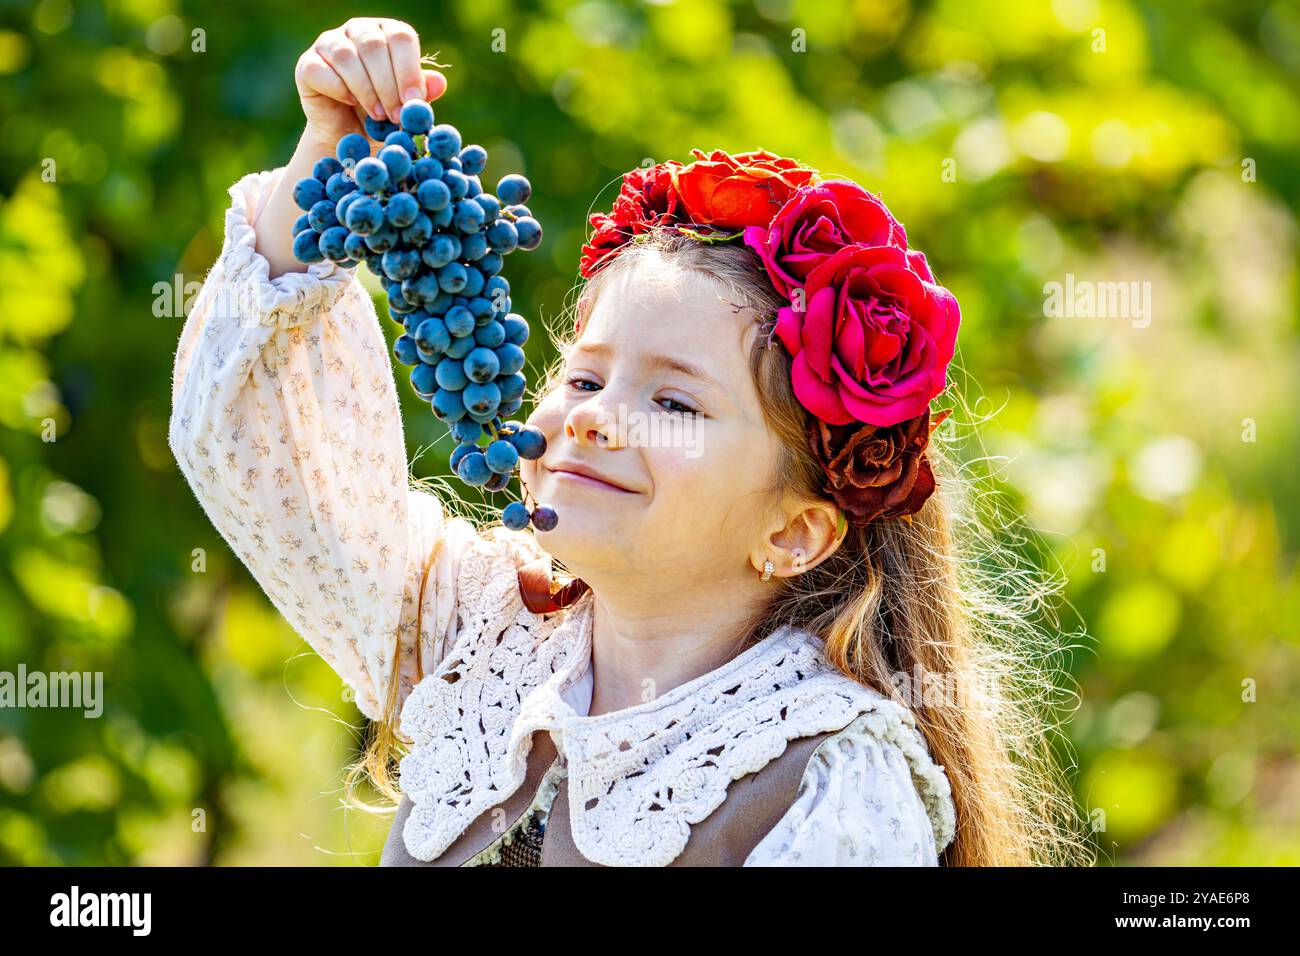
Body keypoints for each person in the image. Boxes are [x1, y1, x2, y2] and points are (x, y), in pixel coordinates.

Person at [168, 17, 1089, 866]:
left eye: (676, 404)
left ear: (794, 532)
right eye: (582, 376)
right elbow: (254, 444)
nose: (597, 414)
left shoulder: (829, 781)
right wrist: (327, 157)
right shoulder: (480, 631)